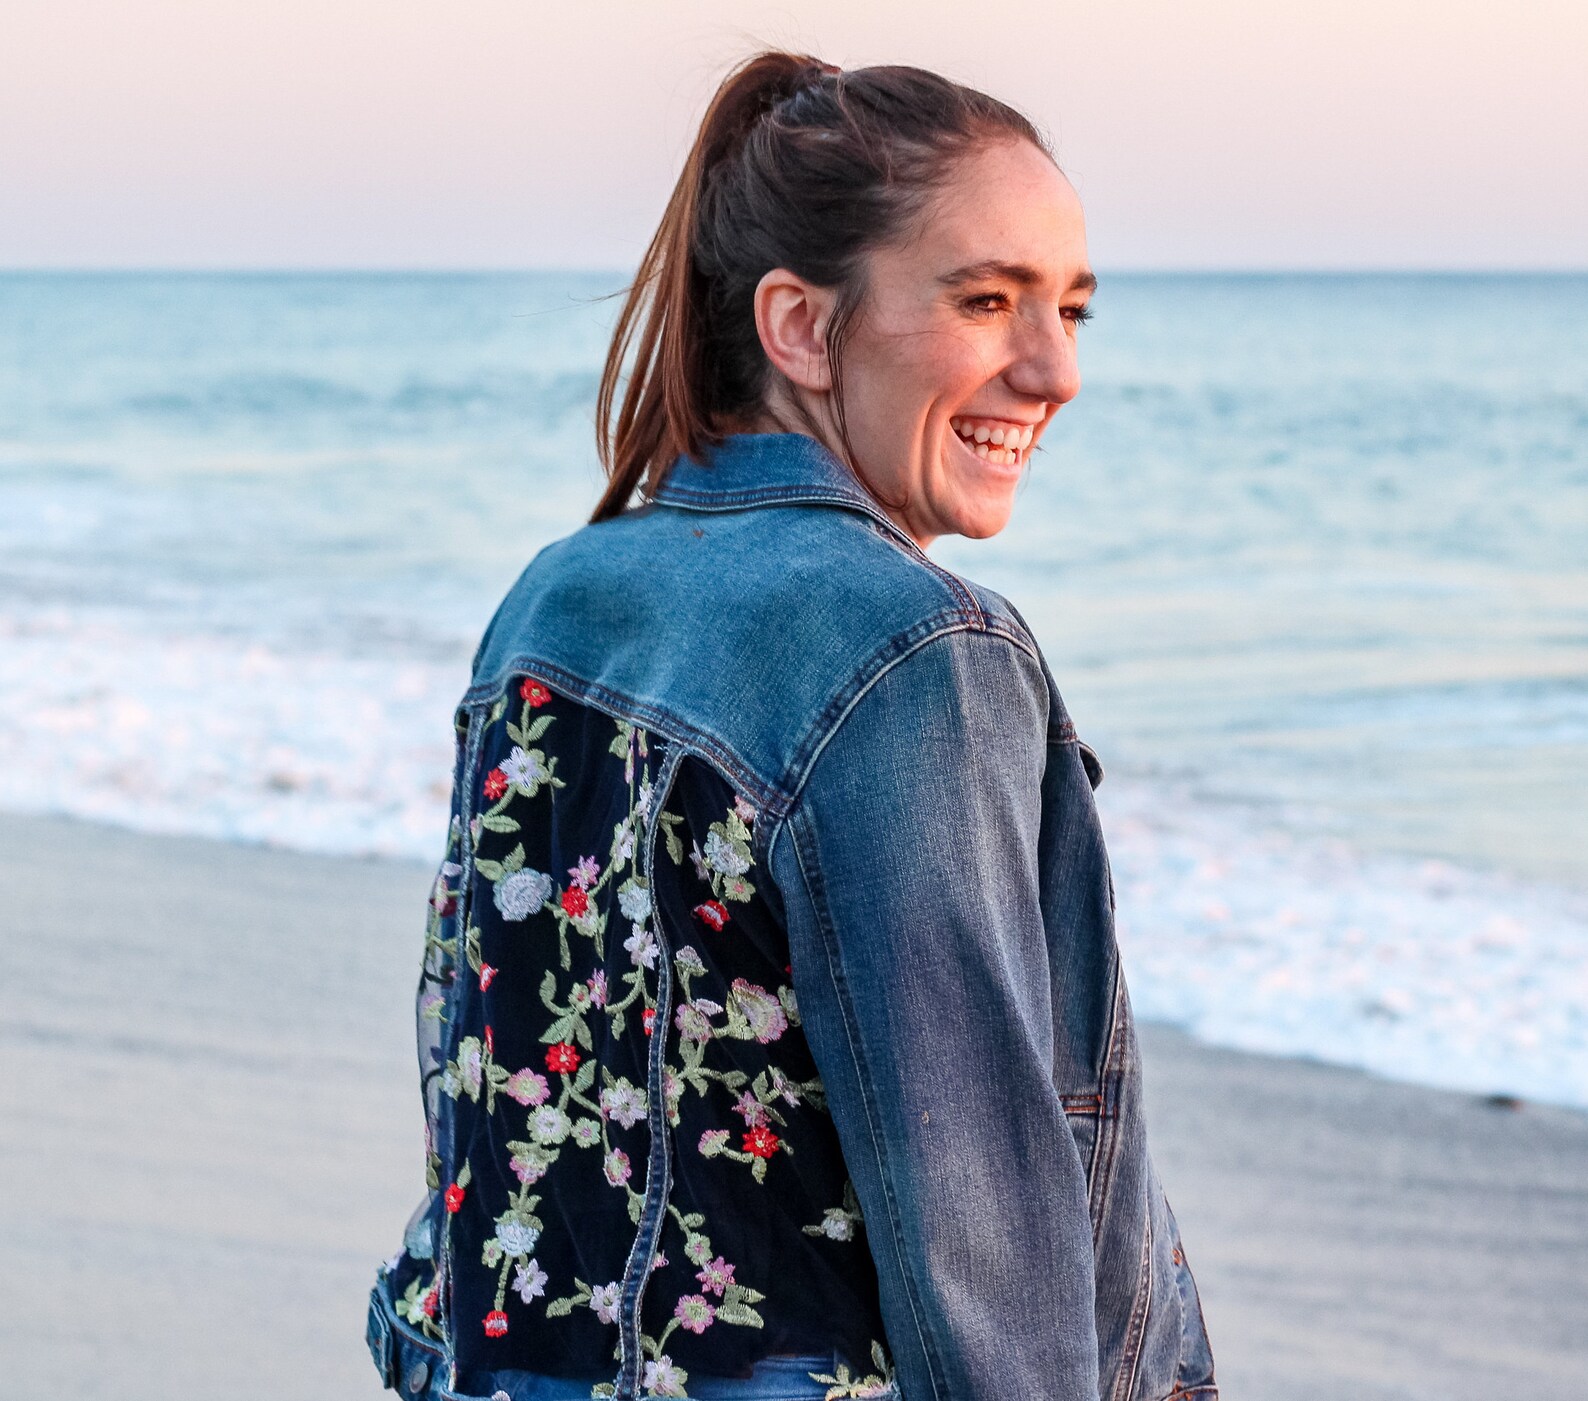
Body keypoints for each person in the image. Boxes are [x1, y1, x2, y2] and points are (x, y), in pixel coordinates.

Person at [365, 51, 1217, 1401]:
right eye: (985, 300)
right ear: (801, 327)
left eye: (1072, 309)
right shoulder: (916, 655)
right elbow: (979, 1248)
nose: (1053, 369)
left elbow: (480, 1118)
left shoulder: (552, 599)